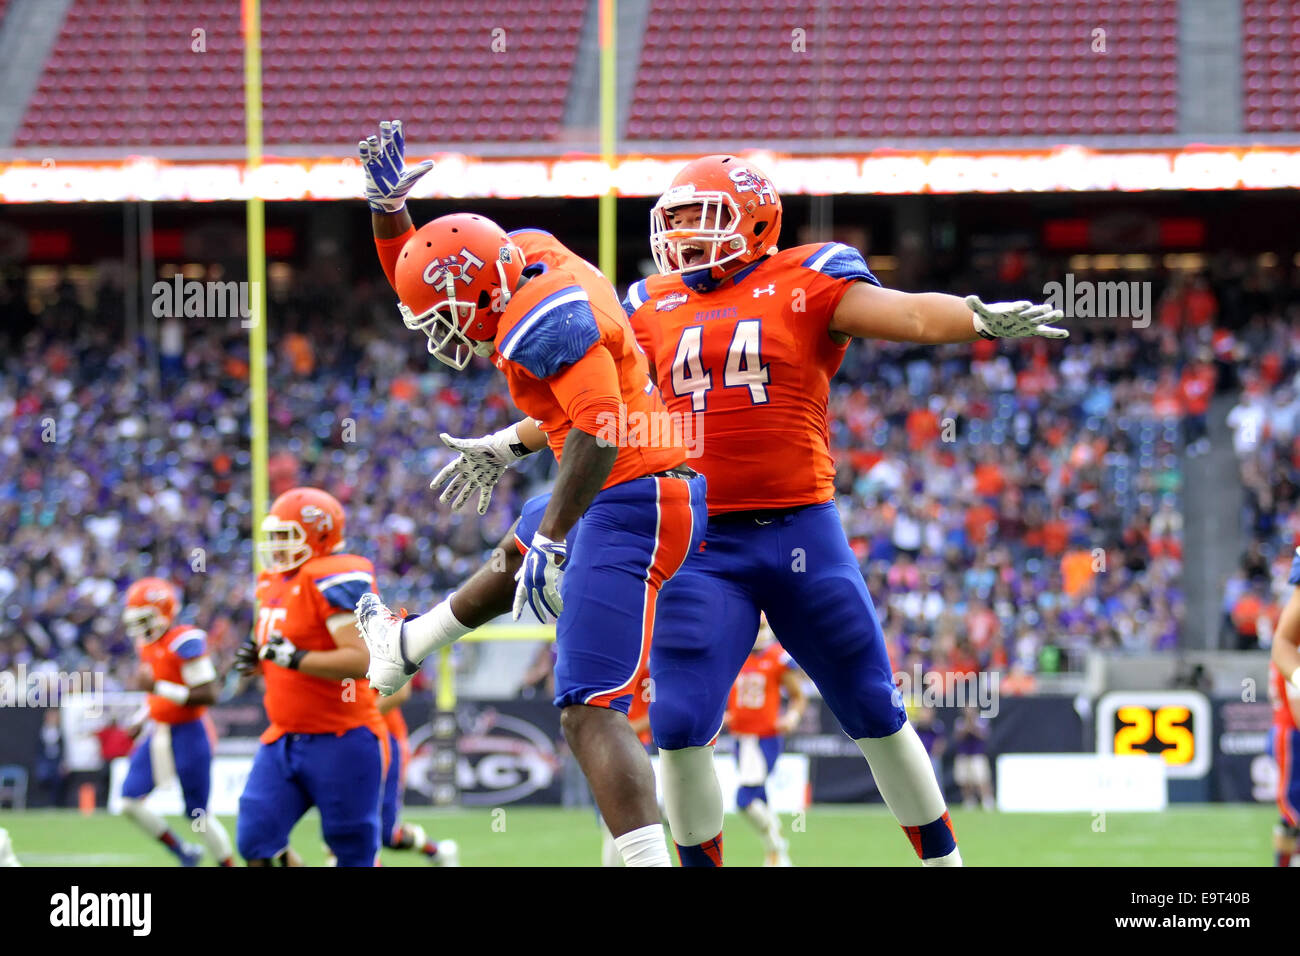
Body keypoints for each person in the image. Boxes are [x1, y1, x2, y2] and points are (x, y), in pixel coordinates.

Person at [429, 153, 1066, 865]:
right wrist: (509, 445)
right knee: (676, 724)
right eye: (677, 222)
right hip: (699, 539)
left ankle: (945, 862)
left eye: (705, 219)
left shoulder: (807, 277)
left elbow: (910, 313)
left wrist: (973, 317)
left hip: (802, 527)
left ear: (758, 219)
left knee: (873, 708)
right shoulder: (644, 302)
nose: (688, 237)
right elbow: (596, 402)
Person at [355, 120, 707, 867]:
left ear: (477, 293)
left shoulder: (543, 321)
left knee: (587, 710)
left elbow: (600, 430)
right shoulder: (525, 259)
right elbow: (432, 270)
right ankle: (411, 640)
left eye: (440, 319)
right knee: (520, 542)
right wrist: (389, 212)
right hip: (645, 487)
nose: (437, 336)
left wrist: (555, 536)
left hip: (631, 494)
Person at [233, 487, 388, 867]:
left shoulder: (331, 575)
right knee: (255, 840)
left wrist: (295, 658)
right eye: (275, 537)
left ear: (319, 536)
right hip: (284, 735)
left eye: (287, 536)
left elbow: (362, 658)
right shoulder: (274, 582)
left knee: (351, 853)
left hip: (342, 739)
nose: (277, 547)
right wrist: (261, 658)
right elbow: (282, 644)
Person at [118, 577, 230, 865]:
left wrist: (157, 688)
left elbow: (208, 694)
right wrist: (143, 716)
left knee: (197, 815)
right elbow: (156, 690)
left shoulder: (184, 640)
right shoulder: (147, 643)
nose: (140, 627)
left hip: (190, 732)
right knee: (129, 800)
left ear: (164, 612)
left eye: (145, 619)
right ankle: (183, 852)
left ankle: (227, 862)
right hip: (159, 732)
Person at [724, 616, 806, 866]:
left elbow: (798, 696)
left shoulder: (776, 659)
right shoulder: (735, 655)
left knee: (745, 799)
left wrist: (791, 717)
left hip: (763, 738)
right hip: (741, 738)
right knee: (760, 796)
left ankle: (776, 844)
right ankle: (776, 857)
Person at [376, 684, 459, 866]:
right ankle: (437, 851)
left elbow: (401, 691)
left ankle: (437, 851)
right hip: (343, 741)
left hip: (385, 741)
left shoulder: (377, 657)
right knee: (350, 829)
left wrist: (359, 718)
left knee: (387, 834)